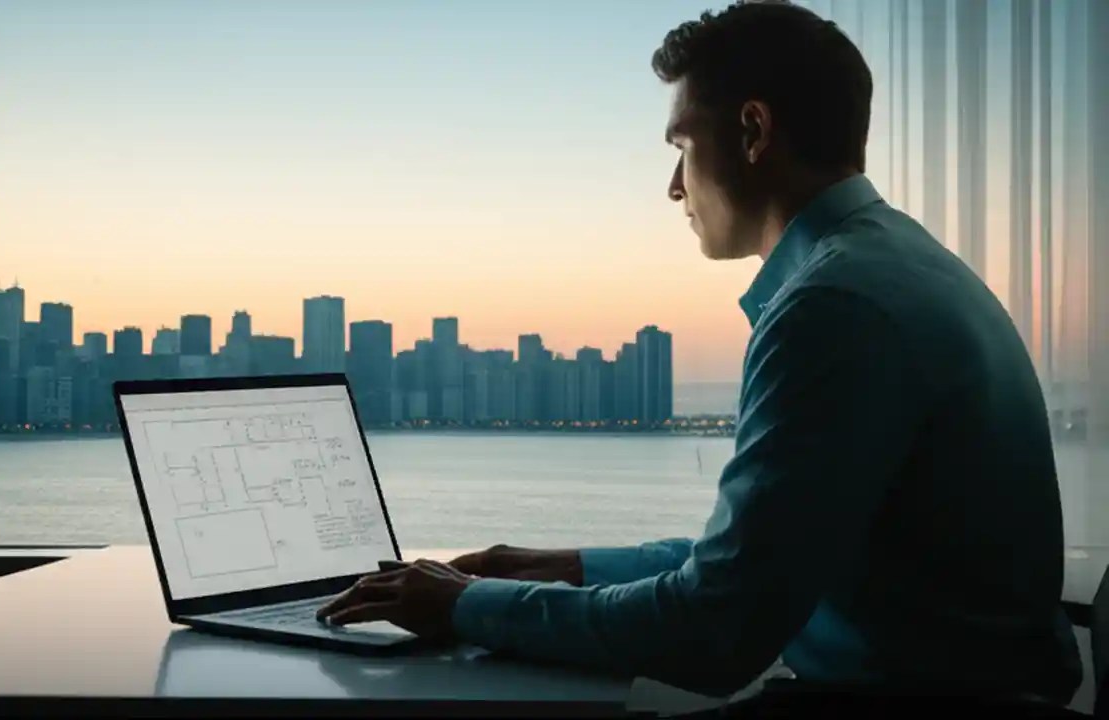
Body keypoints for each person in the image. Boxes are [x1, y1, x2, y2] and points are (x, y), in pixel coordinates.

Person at [318, 0, 1083, 706]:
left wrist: (463, 605)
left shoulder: (833, 308)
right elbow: (765, 565)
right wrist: (565, 567)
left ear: (753, 131)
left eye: (682, 145)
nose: (674, 187)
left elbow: (715, 630)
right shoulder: (905, 265)